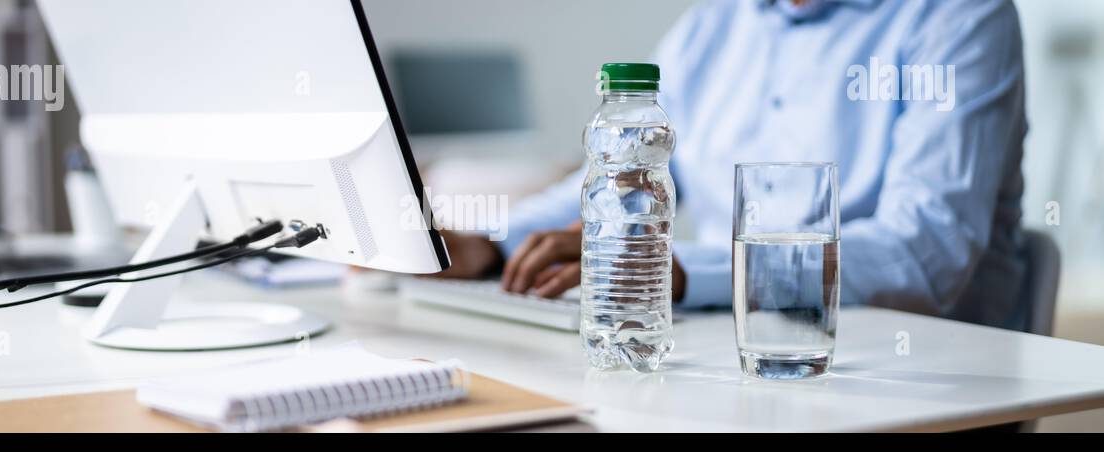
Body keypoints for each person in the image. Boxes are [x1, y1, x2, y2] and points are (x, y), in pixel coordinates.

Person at [438, 0, 1029, 329]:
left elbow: (924, 253)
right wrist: (494, 242)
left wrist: (681, 270)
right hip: (733, 354)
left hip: (917, 382)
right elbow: (626, 171)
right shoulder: (718, 23)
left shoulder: (960, 16)